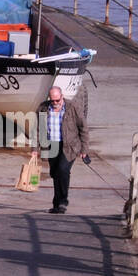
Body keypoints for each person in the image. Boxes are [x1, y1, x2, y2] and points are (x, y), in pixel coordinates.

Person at [34, 86, 90, 214]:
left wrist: (84, 149)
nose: (55, 103)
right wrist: (34, 148)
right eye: (52, 100)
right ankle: (56, 203)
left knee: (63, 170)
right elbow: (38, 130)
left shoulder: (73, 107)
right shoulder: (43, 108)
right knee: (55, 173)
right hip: (51, 145)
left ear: (62, 97)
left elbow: (83, 128)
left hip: (69, 146)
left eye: (57, 100)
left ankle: (63, 201)